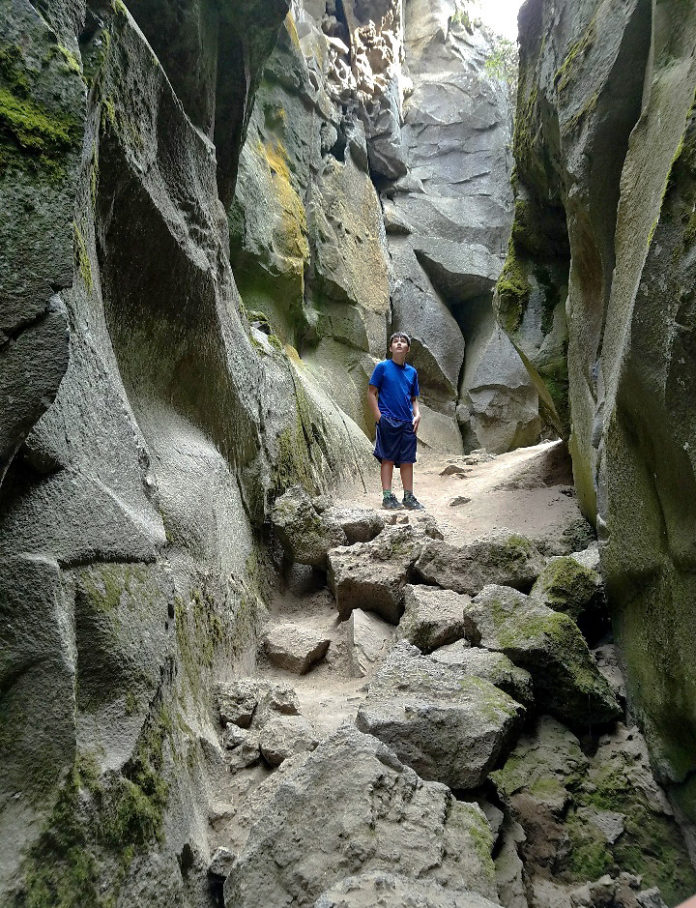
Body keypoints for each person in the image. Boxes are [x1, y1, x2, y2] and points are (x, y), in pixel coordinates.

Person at [367, 331, 424, 510]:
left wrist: (417, 414)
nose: (399, 343)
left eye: (403, 341)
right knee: (388, 458)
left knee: (407, 460)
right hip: (388, 419)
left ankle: (408, 496)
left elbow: (413, 399)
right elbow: (371, 392)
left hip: (407, 422)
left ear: (408, 349)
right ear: (391, 348)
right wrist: (379, 417)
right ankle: (387, 496)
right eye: (395, 341)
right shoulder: (382, 367)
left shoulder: (412, 372)